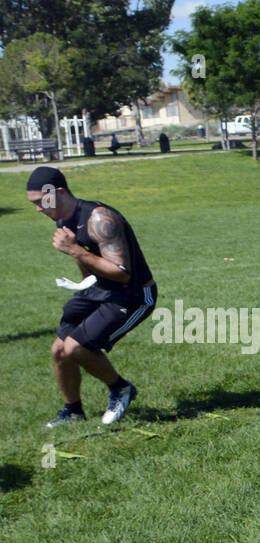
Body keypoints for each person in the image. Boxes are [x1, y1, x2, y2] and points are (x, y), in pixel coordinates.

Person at [25, 167, 157, 428]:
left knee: (77, 347)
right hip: (100, 289)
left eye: (41, 201)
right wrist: (81, 282)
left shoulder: (100, 218)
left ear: (59, 192)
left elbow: (121, 273)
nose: (38, 209)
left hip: (133, 293)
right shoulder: (63, 221)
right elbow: (89, 269)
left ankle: (121, 389)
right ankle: (73, 412)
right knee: (59, 350)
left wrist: (74, 249)